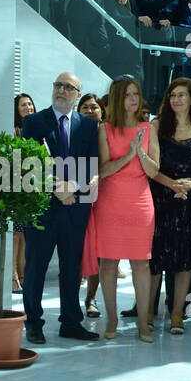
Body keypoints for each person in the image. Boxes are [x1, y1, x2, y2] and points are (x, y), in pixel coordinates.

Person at [21, 73, 101, 345]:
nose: (61, 90)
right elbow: (29, 162)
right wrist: (58, 187)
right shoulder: (34, 122)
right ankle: (33, 323)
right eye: (58, 85)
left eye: (68, 87)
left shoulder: (88, 125)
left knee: (71, 267)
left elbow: (92, 163)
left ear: (77, 94)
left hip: (75, 208)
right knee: (36, 267)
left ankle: (71, 322)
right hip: (42, 206)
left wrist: (73, 188)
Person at [87, 78, 157, 342]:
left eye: (136, 93)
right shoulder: (104, 129)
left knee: (142, 263)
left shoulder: (148, 128)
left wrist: (140, 153)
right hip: (110, 202)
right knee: (108, 263)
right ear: (118, 98)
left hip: (140, 202)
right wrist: (127, 156)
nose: (134, 99)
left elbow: (154, 171)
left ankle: (143, 323)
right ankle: (112, 319)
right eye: (128, 94)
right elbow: (103, 170)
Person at [146, 79, 191, 335]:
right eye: (172, 95)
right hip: (160, 199)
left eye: (182, 95)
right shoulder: (156, 126)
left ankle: (177, 314)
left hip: (190, 202)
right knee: (155, 260)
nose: (176, 99)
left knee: (185, 262)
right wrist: (173, 184)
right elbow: (151, 168)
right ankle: (148, 313)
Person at [77, 92, 107, 318]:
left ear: (102, 111)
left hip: (105, 199)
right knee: (76, 251)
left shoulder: (108, 134)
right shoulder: (73, 133)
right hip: (78, 197)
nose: (90, 110)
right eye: (85, 107)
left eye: (94, 107)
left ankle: (91, 298)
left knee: (98, 253)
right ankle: (70, 299)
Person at [11, 93, 36, 294]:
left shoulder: (36, 128)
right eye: (23, 105)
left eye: (30, 104)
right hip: (16, 185)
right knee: (15, 235)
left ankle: (22, 276)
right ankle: (12, 277)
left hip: (32, 186)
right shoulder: (15, 130)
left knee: (25, 235)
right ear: (16, 109)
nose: (28, 107)